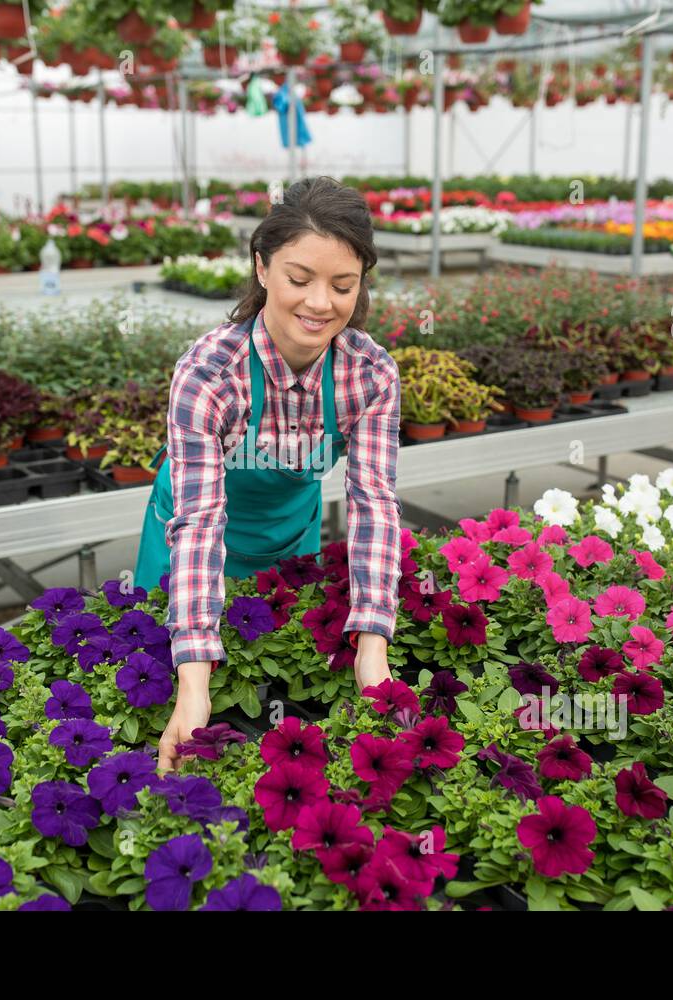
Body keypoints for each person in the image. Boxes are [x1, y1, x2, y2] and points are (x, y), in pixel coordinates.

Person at [133, 175, 403, 772]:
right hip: (193, 537)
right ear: (262, 269)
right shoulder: (210, 373)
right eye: (299, 279)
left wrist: (372, 649)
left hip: (289, 537)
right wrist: (195, 686)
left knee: (276, 675)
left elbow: (374, 505)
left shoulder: (369, 373)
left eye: (342, 286)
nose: (319, 303)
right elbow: (200, 525)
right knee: (162, 681)